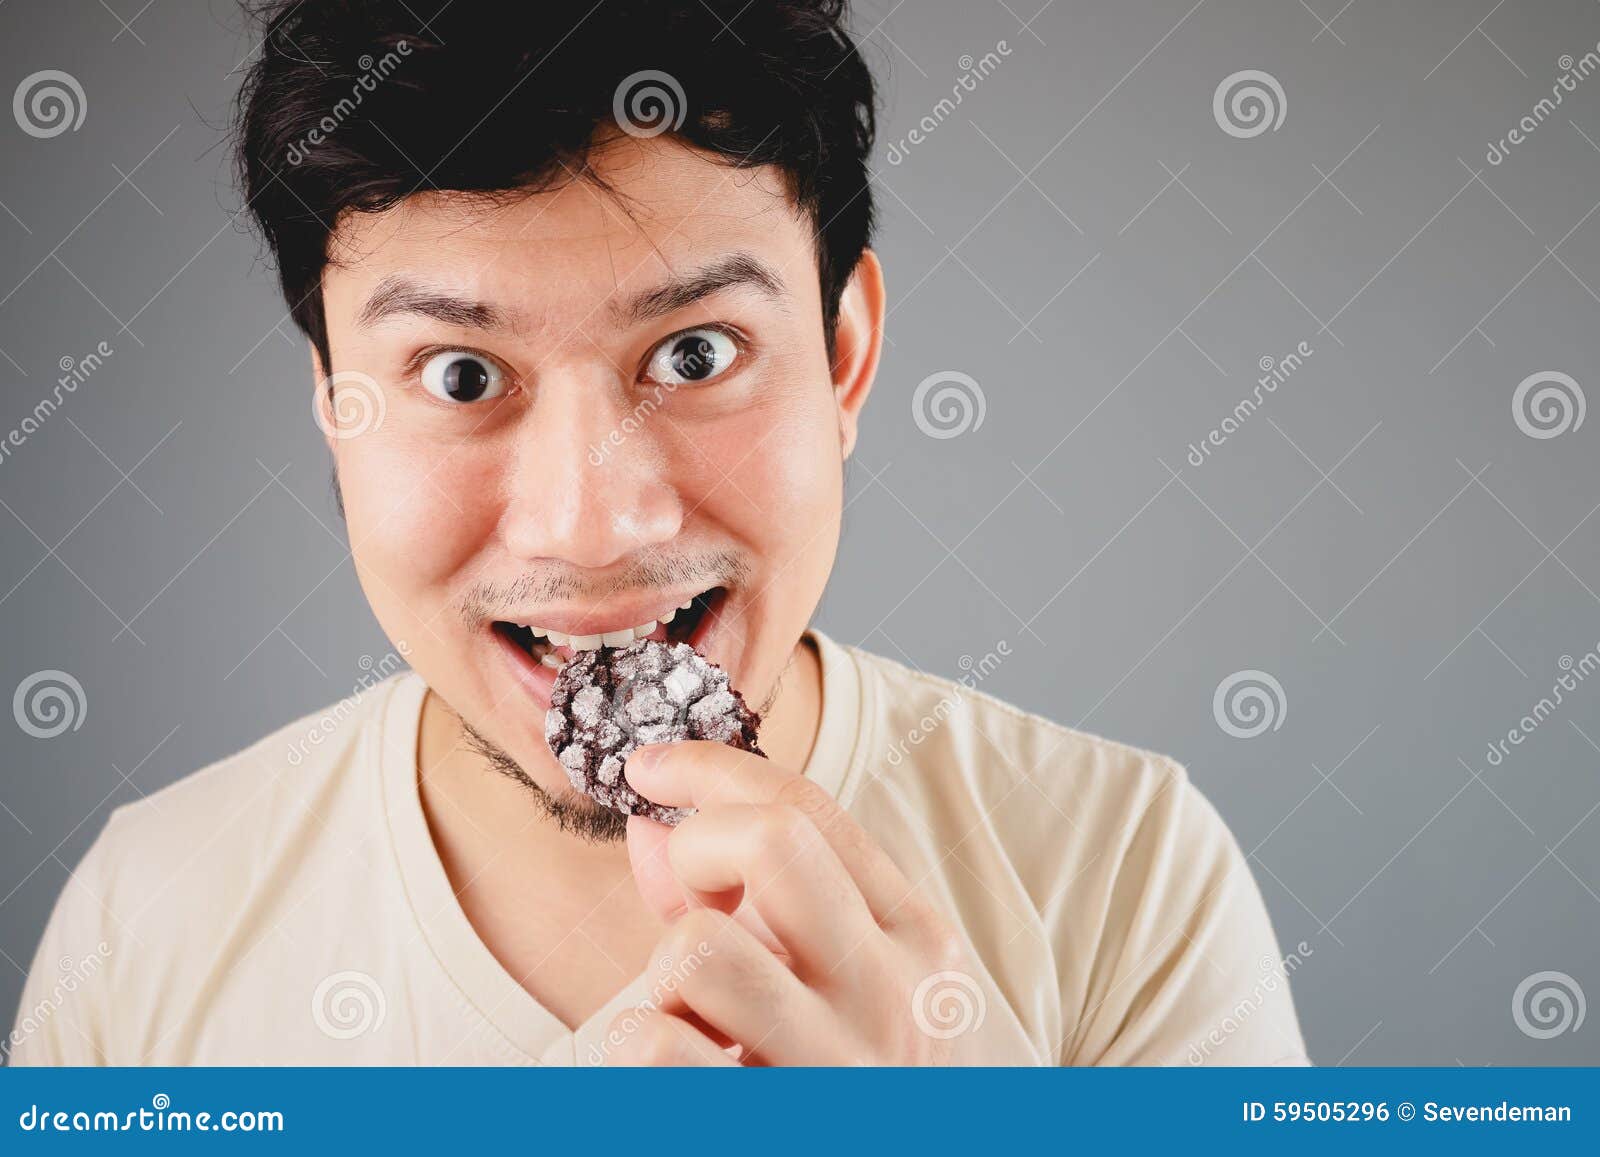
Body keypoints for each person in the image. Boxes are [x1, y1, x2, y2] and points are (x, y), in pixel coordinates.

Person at [9, 0, 1307, 1066]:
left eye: (693, 353)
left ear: (845, 357)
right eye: (461, 375)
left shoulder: (1125, 871)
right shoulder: (149, 921)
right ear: (335, 406)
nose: (590, 525)